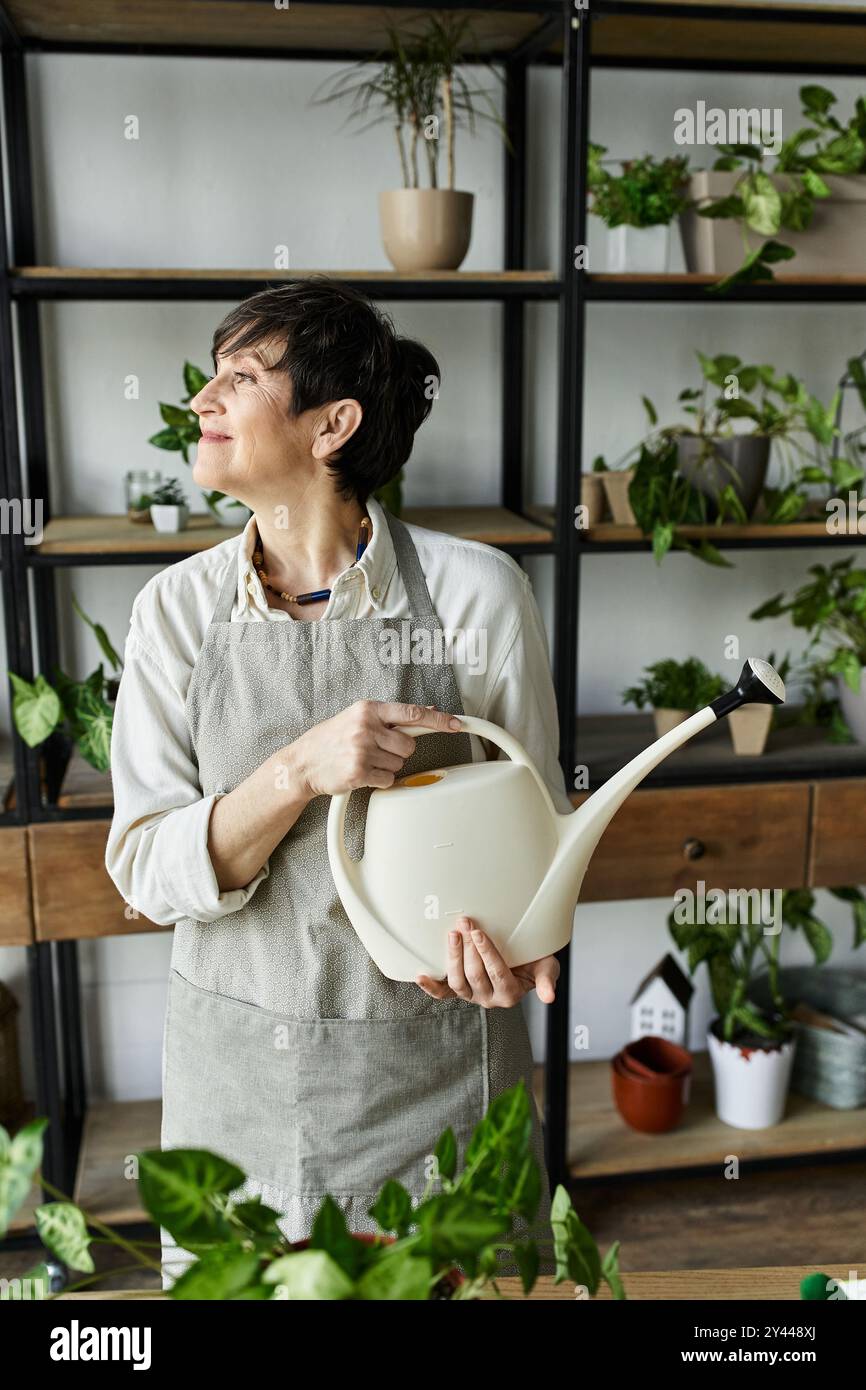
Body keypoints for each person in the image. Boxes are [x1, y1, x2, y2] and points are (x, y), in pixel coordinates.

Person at [104, 275, 573, 1287]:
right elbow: (145, 873)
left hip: (435, 1072)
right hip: (239, 1086)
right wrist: (297, 770)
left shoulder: (476, 594)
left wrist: (516, 948)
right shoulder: (173, 613)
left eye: (239, 377)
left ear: (333, 423)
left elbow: (539, 846)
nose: (201, 401)